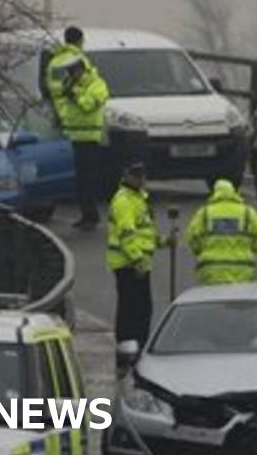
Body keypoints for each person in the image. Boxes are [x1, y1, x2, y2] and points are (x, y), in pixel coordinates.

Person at [48, 27, 109, 230]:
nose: (71, 74)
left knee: (87, 178)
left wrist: (73, 94)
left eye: (74, 71)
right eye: (70, 72)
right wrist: (70, 94)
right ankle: (87, 215)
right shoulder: (72, 65)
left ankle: (90, 215)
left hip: (89, 135)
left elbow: (88, 104)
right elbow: (64, 97)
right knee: (79, 179)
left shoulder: (96, 84)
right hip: (71, 132)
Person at [107, 162, 172, 347]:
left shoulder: (138, 199)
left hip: (137, 262)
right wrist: (138, 261)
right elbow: (127, 234)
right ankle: (128, 348)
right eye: (135, 175)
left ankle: (137, 345)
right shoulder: (124, 201)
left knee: (141, 309)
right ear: (126, 176)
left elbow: (144, 234)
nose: (140, 179)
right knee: (132, 309)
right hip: (128, 264)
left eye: (142, 176)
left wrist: (163, 241)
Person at [184, 179, 257, 285]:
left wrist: (202, 250)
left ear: (215, 193)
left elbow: (192, 238)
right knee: (238, 298)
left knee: (214, 298)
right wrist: (250, 249)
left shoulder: (204, 213)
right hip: (242, 269)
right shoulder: (247, 212)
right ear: (234, 192)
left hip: (211, 268)